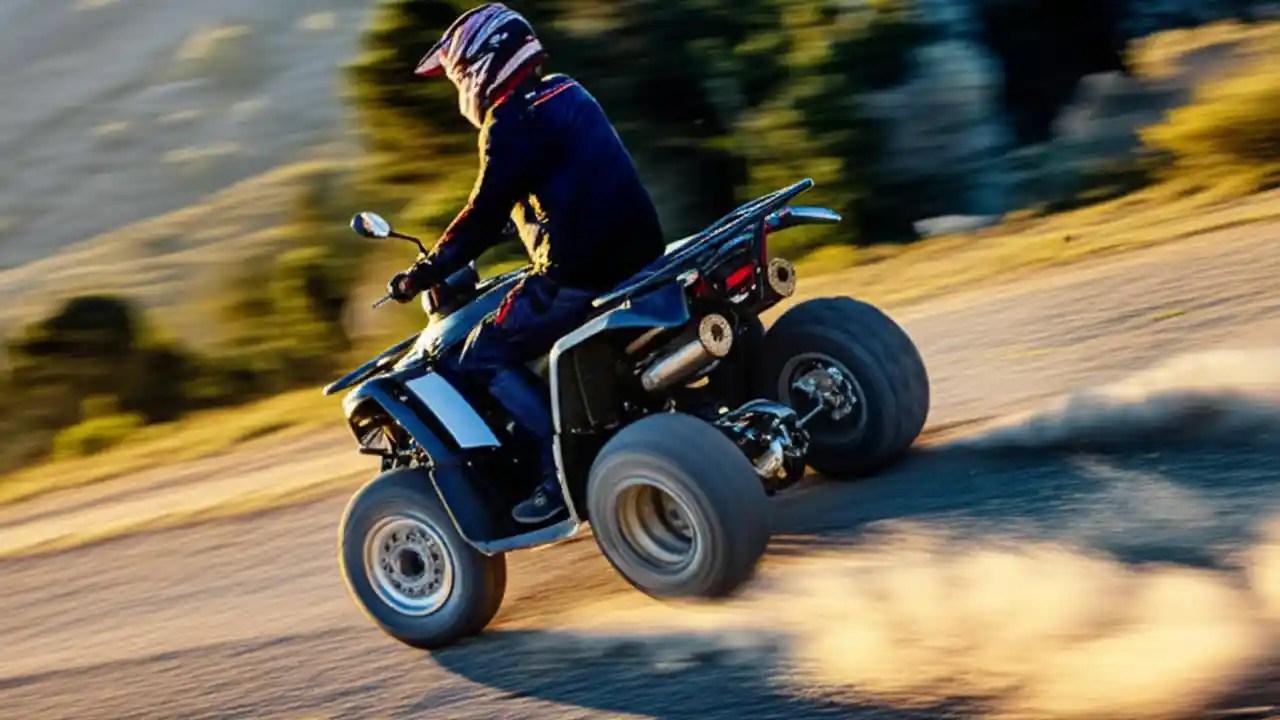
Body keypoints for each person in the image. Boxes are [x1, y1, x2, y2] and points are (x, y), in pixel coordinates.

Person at [389, 3, 665, 524]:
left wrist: (420, 275)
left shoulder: (507, 122)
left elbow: (481, 212)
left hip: (578, 275)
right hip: (643, 253)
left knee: (481, 353)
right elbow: (533, 195)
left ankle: (555, 474)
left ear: (479, 67)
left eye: (456, 78)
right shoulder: (566, 91)